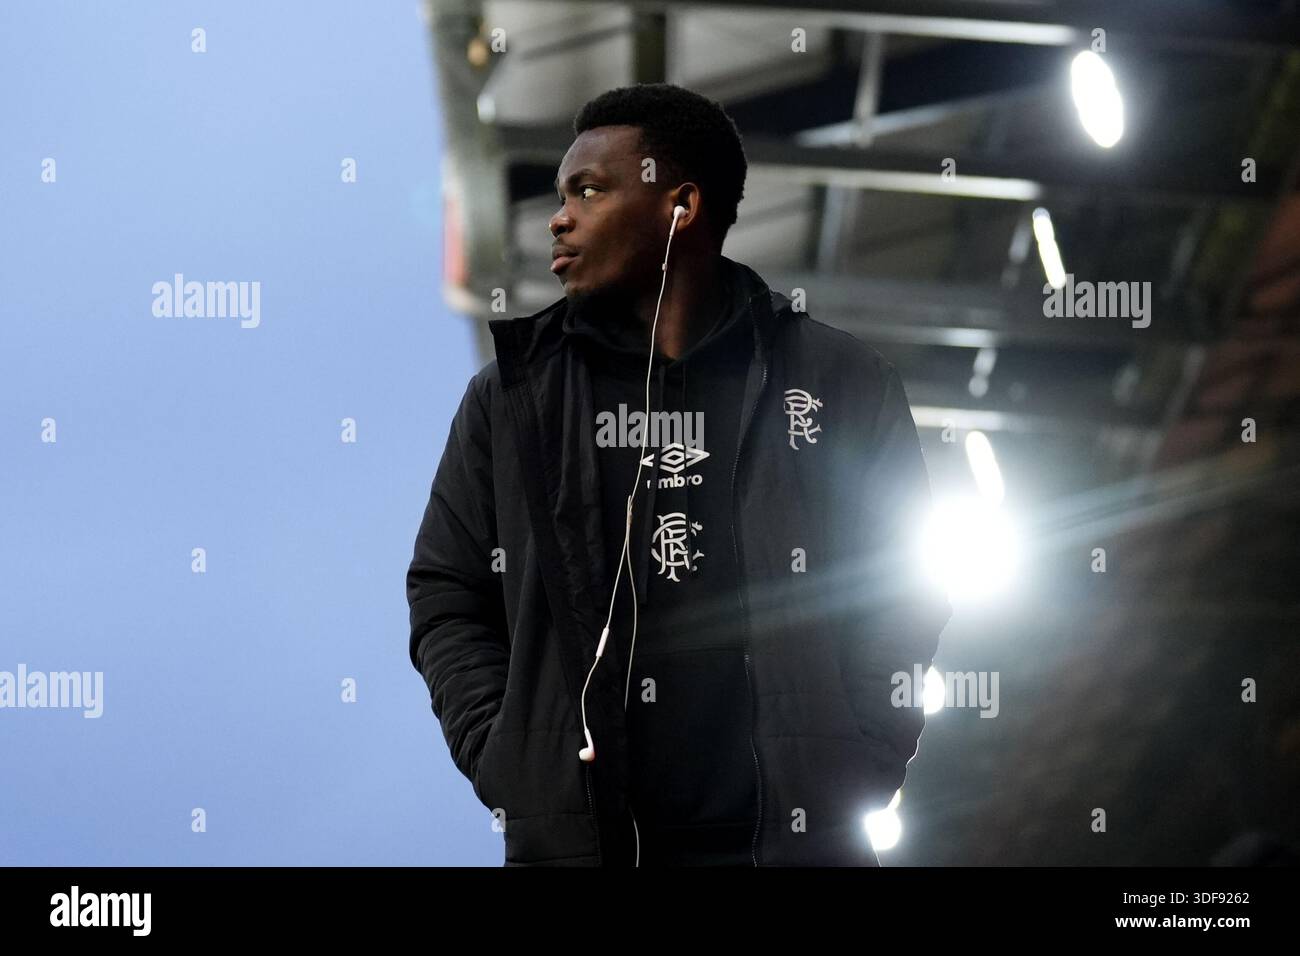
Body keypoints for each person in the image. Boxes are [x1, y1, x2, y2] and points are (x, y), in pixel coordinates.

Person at [407, 82, 952, 867]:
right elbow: (446, 589)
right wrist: (510, 757)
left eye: (589, 191)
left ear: (681, 206)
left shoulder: (840, 378)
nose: (558, 218)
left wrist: (860, 755)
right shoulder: (512, 399)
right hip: (585, 848)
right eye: (561, 196)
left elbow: (907, 580)